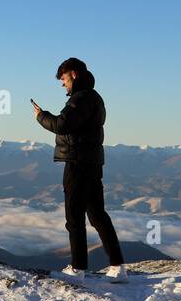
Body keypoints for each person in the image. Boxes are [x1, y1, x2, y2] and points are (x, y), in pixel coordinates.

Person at [31, 58, 126, 281]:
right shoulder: (93, 97)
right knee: (97, 214)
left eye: (63, 79)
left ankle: (78, 268)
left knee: (74, 216)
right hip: (92, 162)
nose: (62, 84)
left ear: (73, 74)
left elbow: (62, 125)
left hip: (78, 162)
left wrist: (41, 116)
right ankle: (117, 266)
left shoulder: (82, 98)